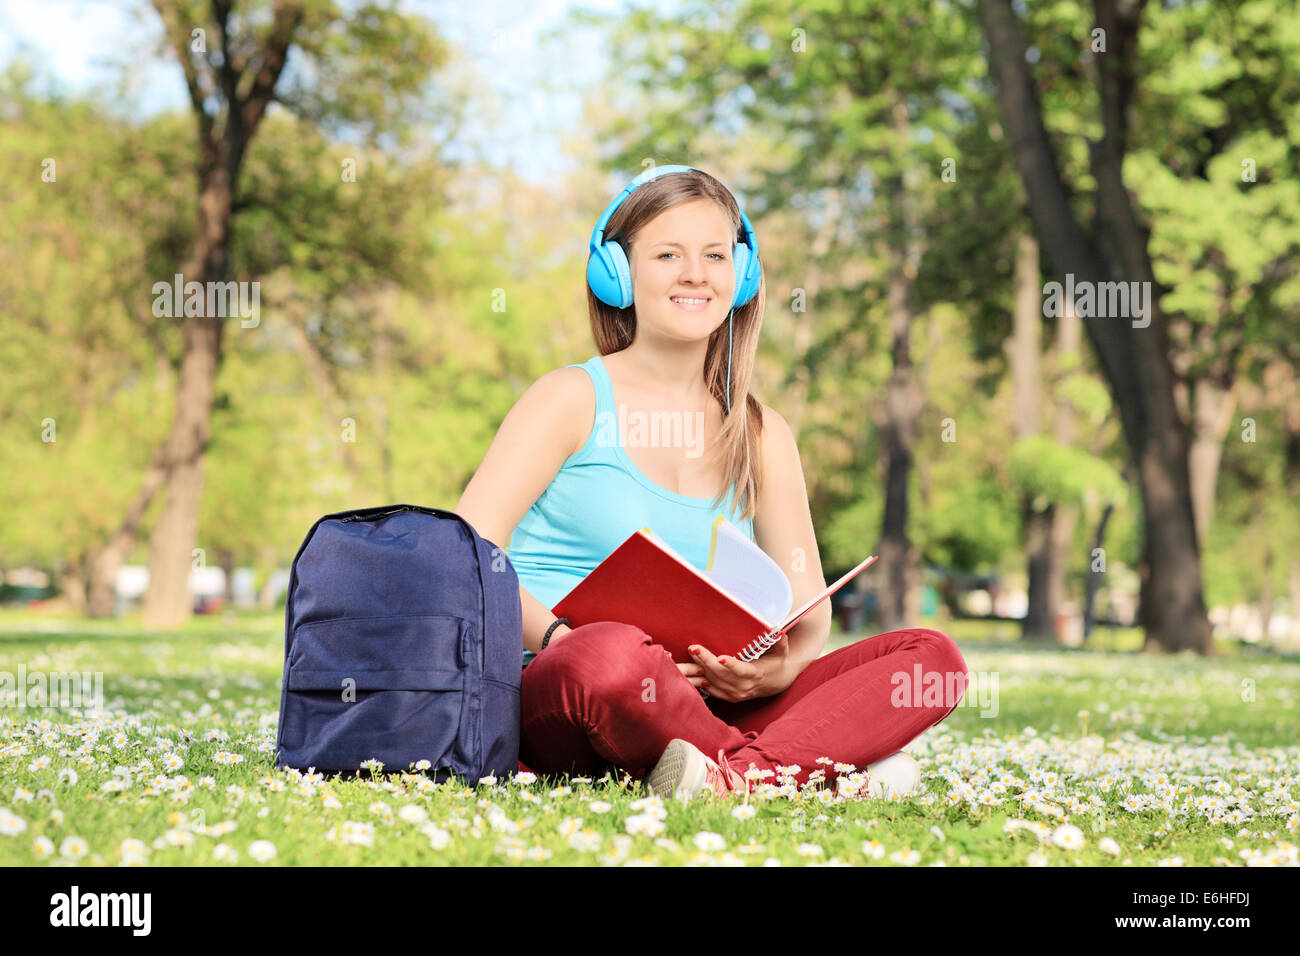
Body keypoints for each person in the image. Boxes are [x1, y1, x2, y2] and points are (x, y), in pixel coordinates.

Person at [454, 165, 967, 800]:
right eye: (668, 253)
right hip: (570, 686)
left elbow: (809, 613)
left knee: (932, 660)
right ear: (617, 275)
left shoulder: (761, 432)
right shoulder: (569, 399)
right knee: (610, 655)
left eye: (715, 255)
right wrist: (562, 636)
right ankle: (801, 772)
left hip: (708, 706)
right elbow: (468, 556)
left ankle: (728, 778)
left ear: (741, 275)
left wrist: (774, 670)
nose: (695, 273)